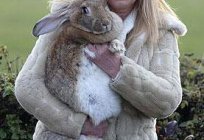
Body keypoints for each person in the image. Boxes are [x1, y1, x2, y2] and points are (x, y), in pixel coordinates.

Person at [15, 0, 187, 139]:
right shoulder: (72, 14)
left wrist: (119, 70)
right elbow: (27, 86)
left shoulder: (161, 30)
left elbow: (167, 101)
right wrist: (76, 124)